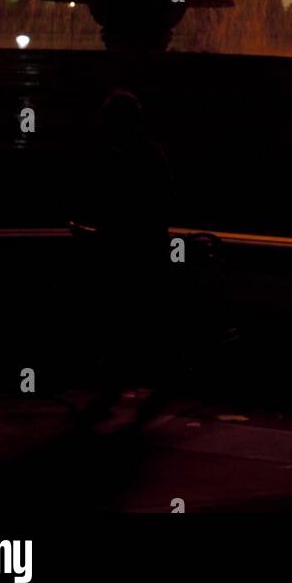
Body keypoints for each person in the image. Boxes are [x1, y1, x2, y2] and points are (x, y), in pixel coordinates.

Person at [85, 91, 175, 409]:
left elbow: (100, 203)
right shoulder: (151, 156)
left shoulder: (110, 158)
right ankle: (158, 381)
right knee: (148, 318)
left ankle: (114, 382)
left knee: (117, 318)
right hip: (146, 247)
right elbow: (165, 201)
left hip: (120, 248)